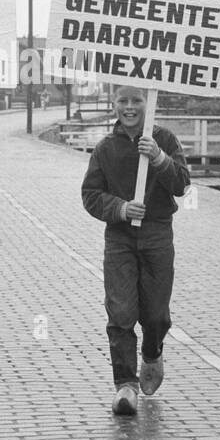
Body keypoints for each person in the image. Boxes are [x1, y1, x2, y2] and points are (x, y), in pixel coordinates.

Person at [81, 84, 190, 416]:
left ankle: (153, 352)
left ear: (147, 103)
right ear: (114, 104)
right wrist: (120, 208)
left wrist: (158, 157)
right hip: (120, 239)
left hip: (157, 234)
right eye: (123, 100)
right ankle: (125, 384)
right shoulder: (105, 148)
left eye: (137, 100)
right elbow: (90, 195)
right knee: (121, 312)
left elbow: (182, 184)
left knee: (156, 313)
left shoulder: (165, 140)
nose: (130, 107)